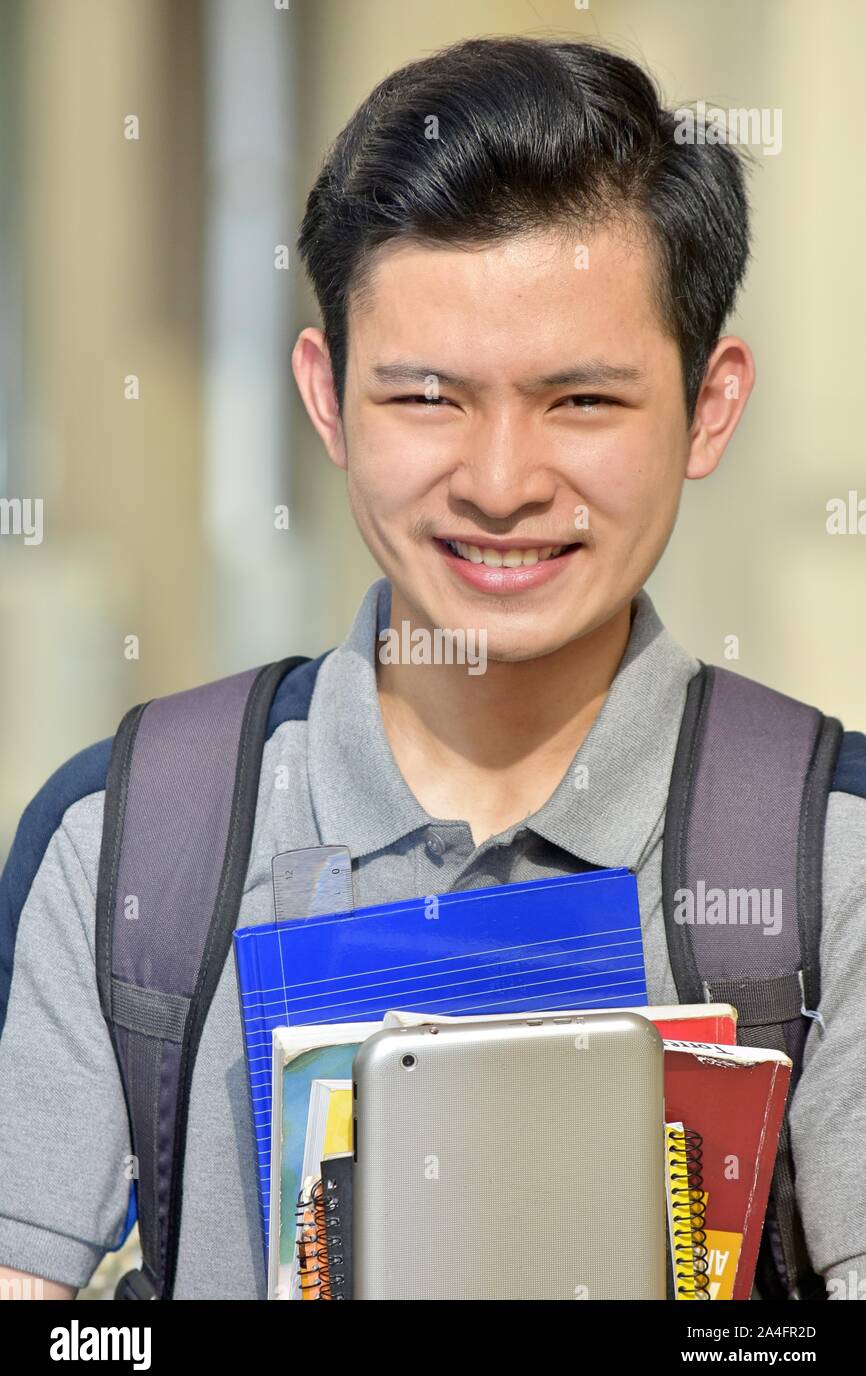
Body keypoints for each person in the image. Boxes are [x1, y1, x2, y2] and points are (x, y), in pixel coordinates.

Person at [1, 35, 863, 1301]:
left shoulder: (828, 860)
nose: (502, 484)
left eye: (581, 401)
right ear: (328, 399)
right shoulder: (127, 845)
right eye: (425, 398)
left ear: (709, 405)